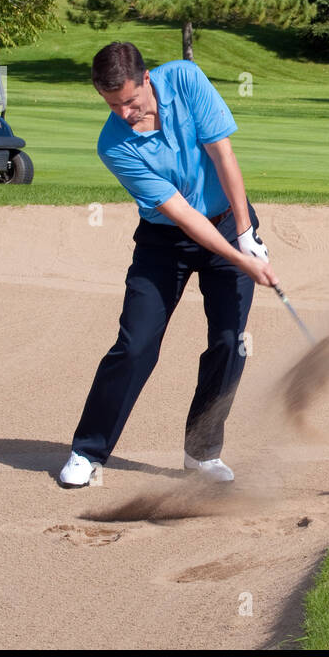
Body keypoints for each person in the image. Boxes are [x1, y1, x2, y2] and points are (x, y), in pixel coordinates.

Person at [57, 42, 277, 487]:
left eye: (130, 101)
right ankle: (88, 449)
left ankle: (202, 453)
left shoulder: (185, 80)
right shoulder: (113, 145)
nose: (124, 112)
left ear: (147, 80)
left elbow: (223, 154)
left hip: (229, 220)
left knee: (230, 343)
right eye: (113, 105)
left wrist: (245, 231)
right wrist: (240, 258)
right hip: (165, 241)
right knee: (136, 344)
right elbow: (182, 214)